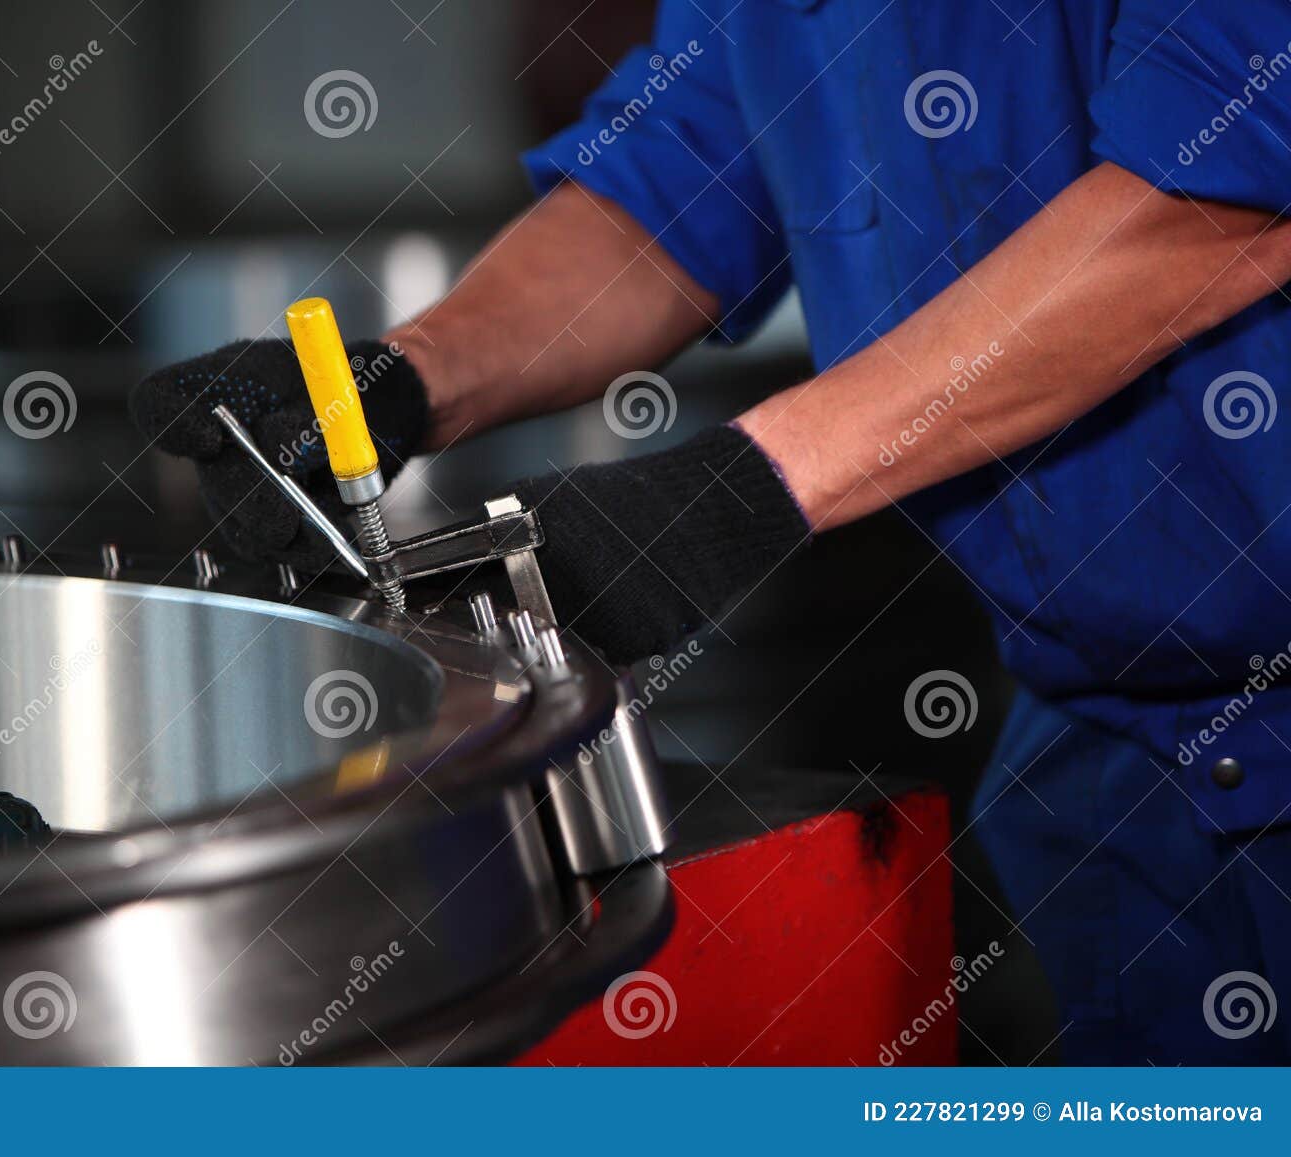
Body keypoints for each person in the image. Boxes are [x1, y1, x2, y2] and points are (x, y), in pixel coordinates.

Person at [130, 1, 1291, 1064]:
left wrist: (732, 496)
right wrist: (407, 378)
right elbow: (675, 182)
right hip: (1099, 747)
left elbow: (1209, 197)